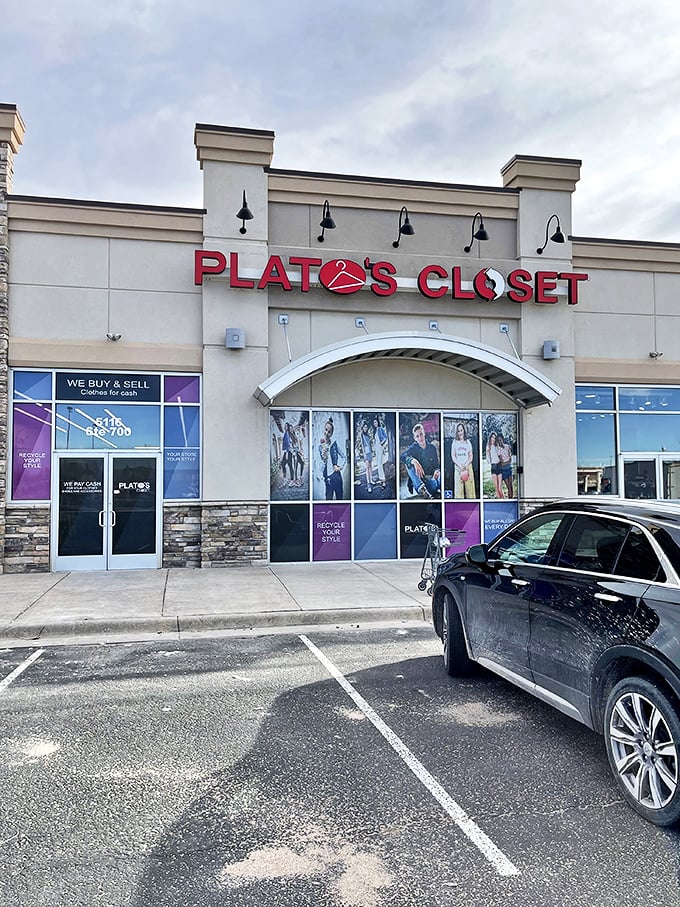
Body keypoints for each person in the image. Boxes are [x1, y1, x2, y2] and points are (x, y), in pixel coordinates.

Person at [400, 422, 440, 498]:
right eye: (417, 436)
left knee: (440, 475)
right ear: (415, 438)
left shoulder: (432, 448)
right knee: (408, 463)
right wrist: (414, 461)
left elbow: (436, 465)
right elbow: (402, 456)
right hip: (422, 481)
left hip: (433, 479)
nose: (420, 438)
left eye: (421, 434)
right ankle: (422, 490)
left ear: (424, 433)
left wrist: (437, 471)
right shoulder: (413, 448)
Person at [319, 417, 345, 500]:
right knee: (328, 500)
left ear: (332, 434)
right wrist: (323, 459)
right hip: (328, 478)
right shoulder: (320, 447)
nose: (326, 433)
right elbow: (320, 468)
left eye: (329, 432)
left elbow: (344, 456)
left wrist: (339, 467)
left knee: (339, 499)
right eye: (326, 430)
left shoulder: (334, 444)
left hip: (336, 476)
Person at [451, 422, 476, 498]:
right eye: (458, 431)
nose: (460, 433)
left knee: (470, 490)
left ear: (464, 431)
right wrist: (459, 465)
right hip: (458, 468)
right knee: (459, 491)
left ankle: (472, 507)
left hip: (467, 467)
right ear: (457, 432)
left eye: (461, 430)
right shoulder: (454, 442)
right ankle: (459, 507)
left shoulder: (468, 442)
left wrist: (466, 464)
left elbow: (471, 456)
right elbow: (453, 456)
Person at [486, 430, 503, 498]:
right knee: (496, 489)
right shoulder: (488, 447)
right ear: (490, 438)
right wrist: (487, 452)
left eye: (494, 437)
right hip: (493, 467)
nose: (493, 439)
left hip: (499, 466)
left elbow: (500, 457)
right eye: (492, 437)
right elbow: (488, 461)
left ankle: (504, 502)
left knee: (500, 488)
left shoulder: (497, 446)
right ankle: (500, 503)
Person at [497, 433, 514, 498]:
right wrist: (507, 461)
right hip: (504, 470)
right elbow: (502, 462)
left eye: (500, 440)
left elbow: (510, 459)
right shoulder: (498, 450)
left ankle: (511, 498)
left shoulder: (507, 446)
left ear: (502, 439)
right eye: (498, 440)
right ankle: (510, 500)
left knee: (511, 486)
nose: (500, 441)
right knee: (508, 486)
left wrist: (506, 461)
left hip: (509, 469)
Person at [359, 420, 374, 492]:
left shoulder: (367, 435)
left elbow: (369, 443)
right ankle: (368, 484)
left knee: (371, 467)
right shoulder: (362, 435)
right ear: (362, 428)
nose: (365, 428)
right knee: (367, 468)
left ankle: (371, 480)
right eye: (364, 427)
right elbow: (362, 445)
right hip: (366, 452)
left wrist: (372, 451)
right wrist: (364, 453)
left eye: (366, 427)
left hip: (370, 452)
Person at [373, 417, 387, 488]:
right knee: (378, 464)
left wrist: (382, 443)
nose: (375, 423)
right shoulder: (375, 431)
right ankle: (381, 479)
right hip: (376, 448)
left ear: (378, 422)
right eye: (374, 422)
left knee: (380, 463)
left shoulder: (380, 429)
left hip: (380, 447)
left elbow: (385, 437)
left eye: (375, 422)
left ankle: (383, 480)